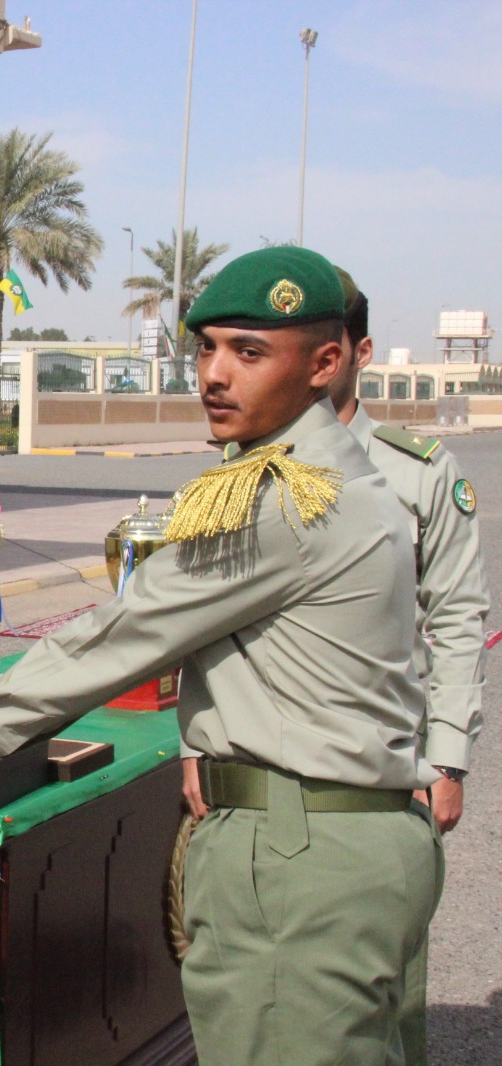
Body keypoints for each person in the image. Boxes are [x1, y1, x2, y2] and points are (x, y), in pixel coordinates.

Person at [0, 247, 444, 1066]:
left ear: (327, 362)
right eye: (206, 348)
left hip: (296, 860)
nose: (213, 374)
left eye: (248, 352)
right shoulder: (350, 481)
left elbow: (118, 638)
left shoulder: (284, 502)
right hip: (353, 843)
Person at [178, 265, 488, 1066]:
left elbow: (456, 619)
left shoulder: (412, 468)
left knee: (389, 998)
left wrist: (446, 754)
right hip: (280, 785)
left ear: (347, 354)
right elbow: (209, 626)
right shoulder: (240, 468)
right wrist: (194, 746)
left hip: (385, 764)